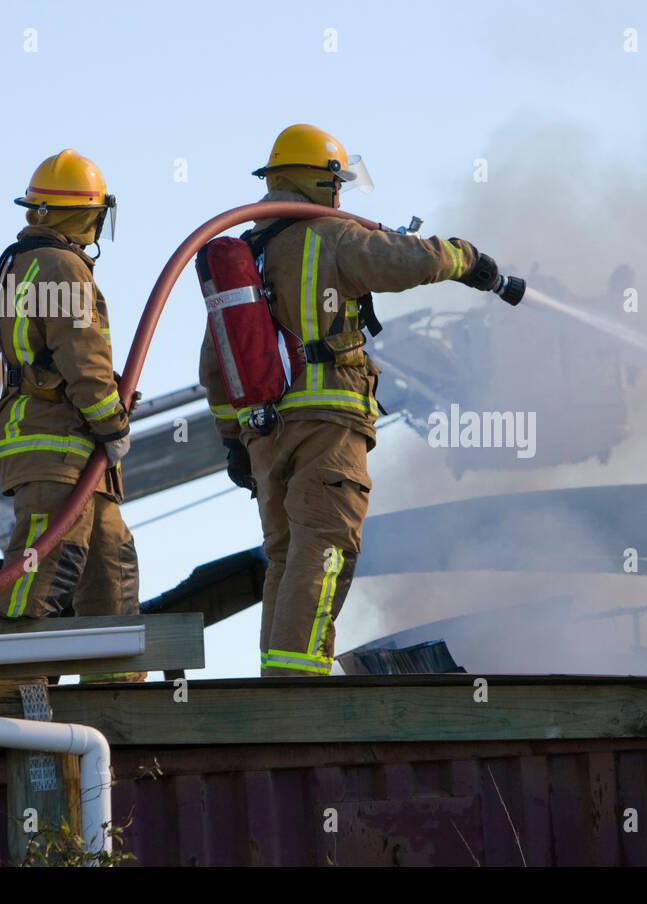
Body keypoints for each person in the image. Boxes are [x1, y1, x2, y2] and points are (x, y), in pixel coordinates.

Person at [200, 124, 505, 676]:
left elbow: (214, 364)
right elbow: (405, 260)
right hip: (328, 424)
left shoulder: (244, 257)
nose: (340, 197)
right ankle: (296, 688)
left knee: (286, 557)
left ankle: (278, 682)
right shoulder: (331, 237)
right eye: (335, 184)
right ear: (318, 183)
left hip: (265, 436)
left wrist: (236, 442)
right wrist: (465, 258)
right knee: (325, 549)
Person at [0, 150, 141, 679]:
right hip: (56, 444)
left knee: (110, 565)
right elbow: (83, 356)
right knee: (45, 564)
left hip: (66, 447)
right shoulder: (61, 265)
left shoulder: (22, 261)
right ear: (86, 213)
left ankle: (118, 692)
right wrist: (113, 424)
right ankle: (7, 684)